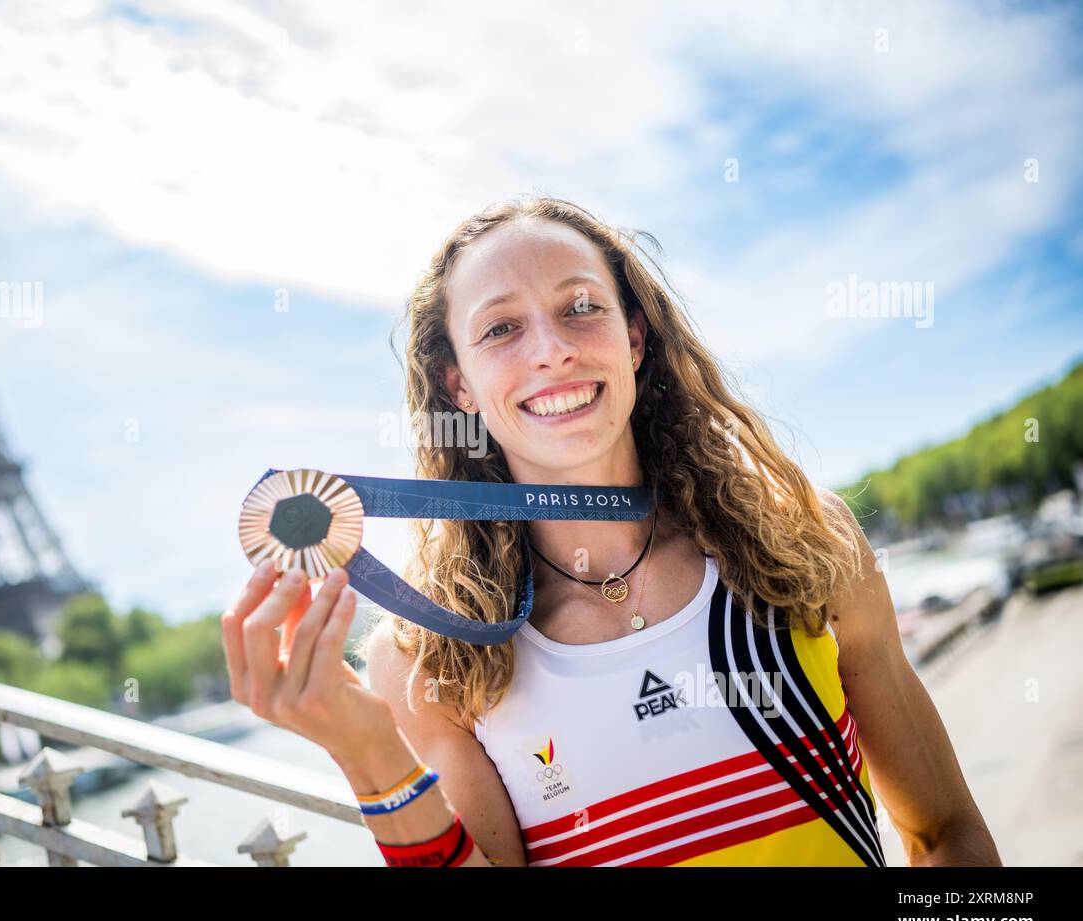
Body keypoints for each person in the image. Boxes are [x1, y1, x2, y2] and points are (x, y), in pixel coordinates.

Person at [221, 195, 1001, 867]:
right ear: (458, 384)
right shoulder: (431, 657)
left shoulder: (799, 540)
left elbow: (945, 834)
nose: (553, 348)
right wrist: (368, 754)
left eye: (580, 307)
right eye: (500, 329)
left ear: (633, 337)